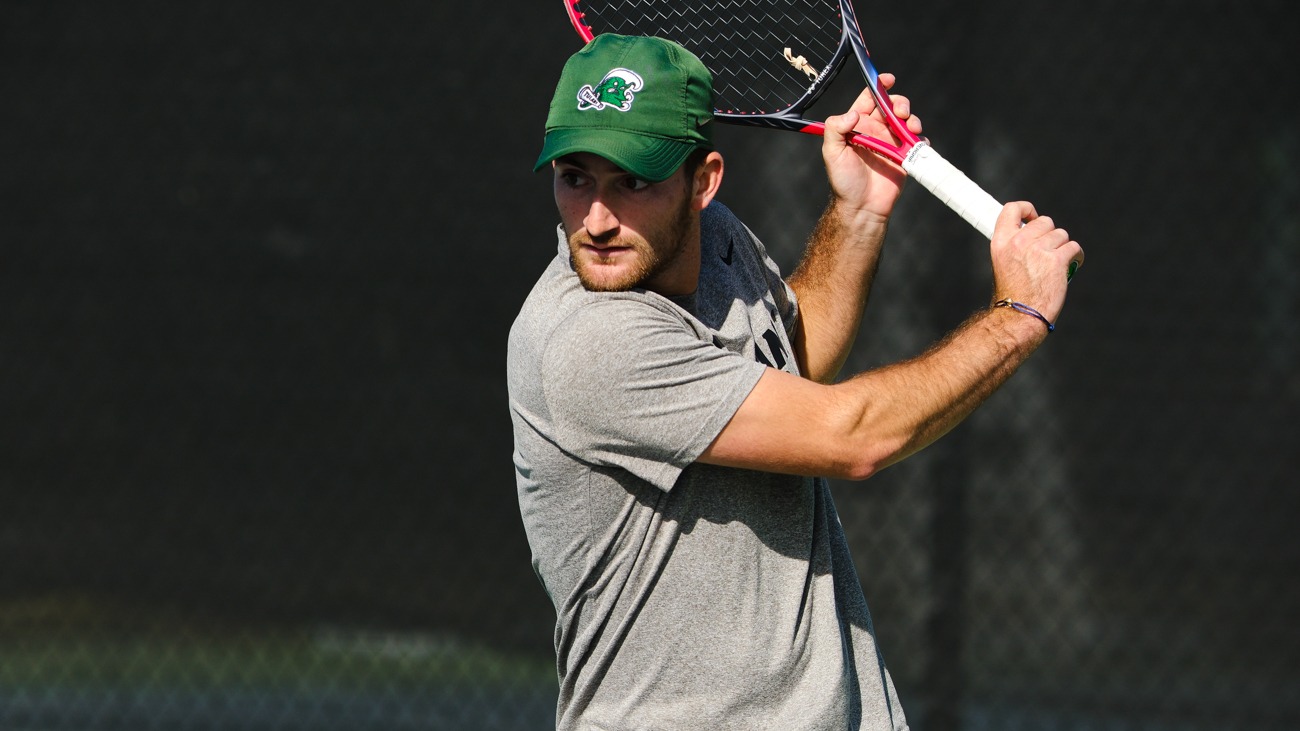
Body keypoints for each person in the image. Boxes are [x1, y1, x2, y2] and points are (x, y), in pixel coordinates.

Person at [508, 33, 1082, 731]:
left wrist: (860, 212)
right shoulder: (589, 342)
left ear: (704, 181)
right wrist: (1017, 317)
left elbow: (791, 365)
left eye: (634, 181)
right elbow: (853, 436)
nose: (598, 219)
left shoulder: (717, 240)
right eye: (576, 179)